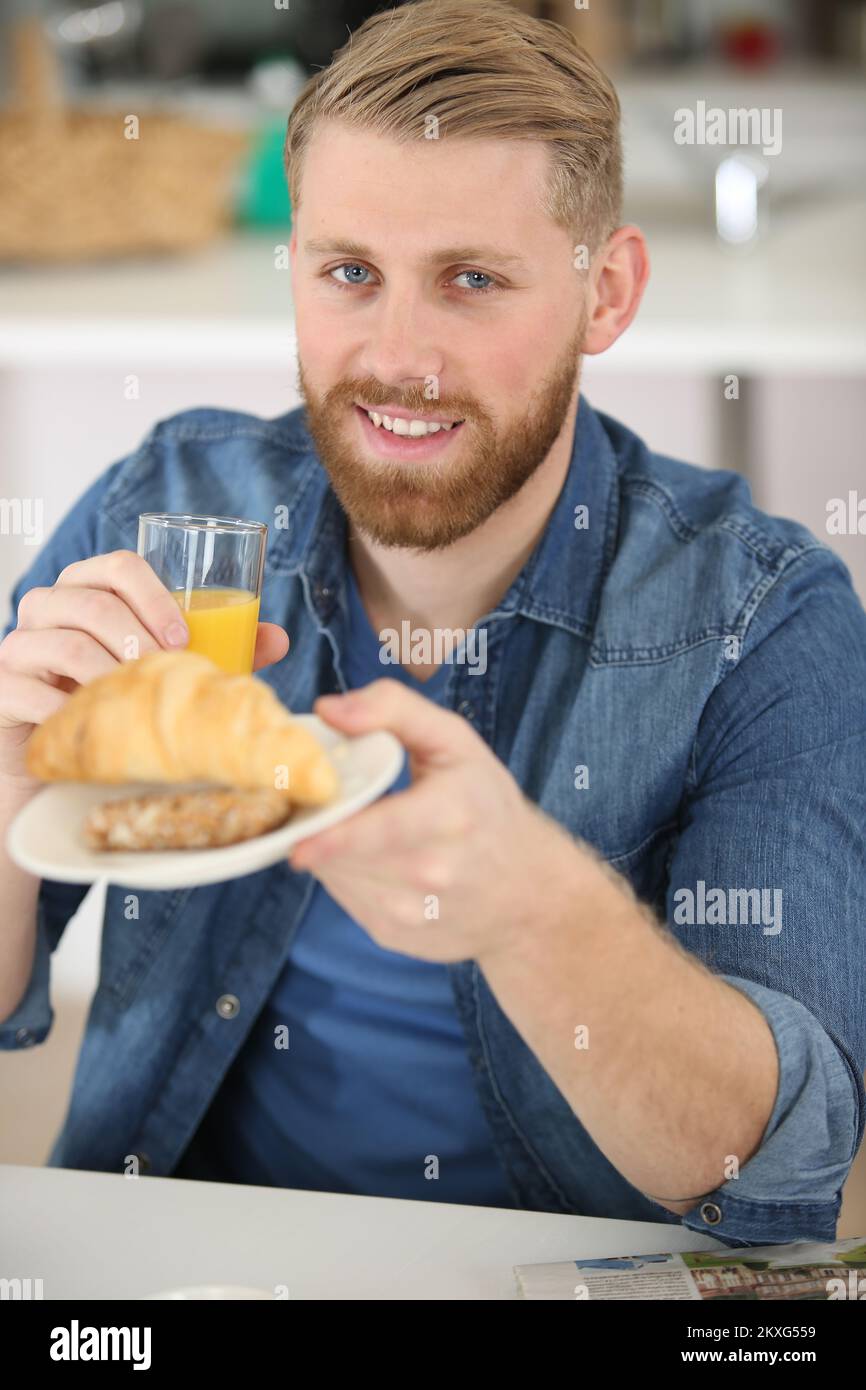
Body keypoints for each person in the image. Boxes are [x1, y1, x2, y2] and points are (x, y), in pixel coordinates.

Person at [1, 0, 863, 1249]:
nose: (397, 357)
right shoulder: (164, 515)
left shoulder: (760, 619)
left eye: (470, 279)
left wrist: (535, 912)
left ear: (605, 292)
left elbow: (775, 1153)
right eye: (349, 272)